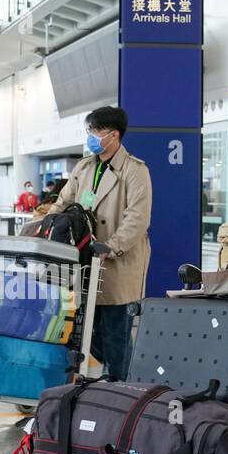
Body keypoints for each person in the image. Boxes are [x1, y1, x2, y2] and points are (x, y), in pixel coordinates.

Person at [56, 106, 152, 381]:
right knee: (86, 330)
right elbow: (64, 202)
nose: (91, 136)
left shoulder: (135, 171)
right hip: (85, 263)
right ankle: (122, 381)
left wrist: (113, 245)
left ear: (113, 135)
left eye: (96, 131)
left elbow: (137, 217)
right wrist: (47, 223)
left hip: (117, 264)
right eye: (90, 131)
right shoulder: (85, 167)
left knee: (115, 334)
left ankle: (121, 391)